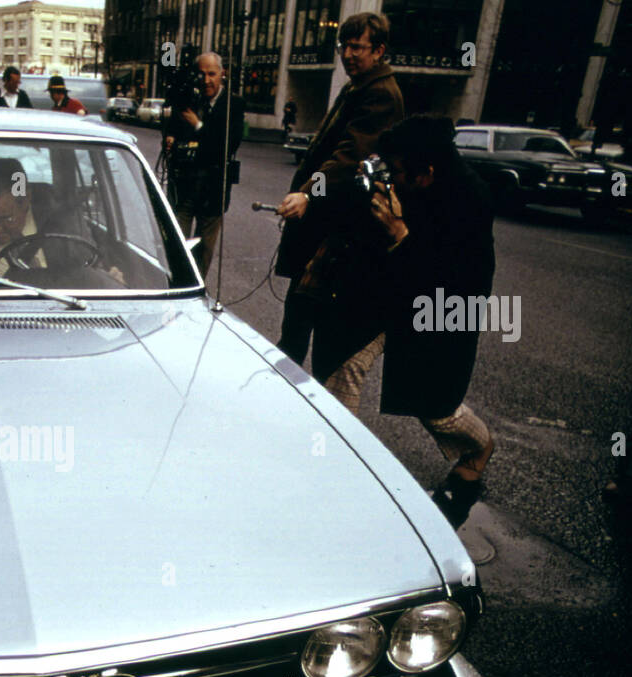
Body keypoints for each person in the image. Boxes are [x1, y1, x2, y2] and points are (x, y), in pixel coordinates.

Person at [322, 115, 496, 528]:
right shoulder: (412, 177)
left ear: (426, 173)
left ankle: (480, 447)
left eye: (397, 172)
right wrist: (312, 201)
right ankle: (330, 468)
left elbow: (452, 284)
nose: (391, 180)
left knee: (435, 408)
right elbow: (356, 189)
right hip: (393, 291)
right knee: (345, 364)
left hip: (442, 310)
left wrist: (400, 233)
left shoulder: (471, 202)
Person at [274, 11, 404, 375]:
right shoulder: (357, 86)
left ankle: (311, 410)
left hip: (342, 234)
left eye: (356, 47)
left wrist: (309, 195)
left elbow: (348, 157)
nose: (347, 54)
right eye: (343, 46)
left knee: (319, 332)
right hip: (329, 231)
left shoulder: (380, 94)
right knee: (299, 322)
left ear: (378, 50)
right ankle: (290, 397)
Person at [162, 51, 244, 278]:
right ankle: (174, 284)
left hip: (213, 190)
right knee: (177, 243)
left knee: (204, 250)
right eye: (201, 74)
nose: (206, 80)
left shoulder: (233, 105)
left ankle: (195, 290)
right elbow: (174, 129)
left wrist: (197, 125)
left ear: (222, 74)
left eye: (212, 74)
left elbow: (226, 146)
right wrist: (170, 138)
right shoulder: (190, 99)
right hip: (185, 187)